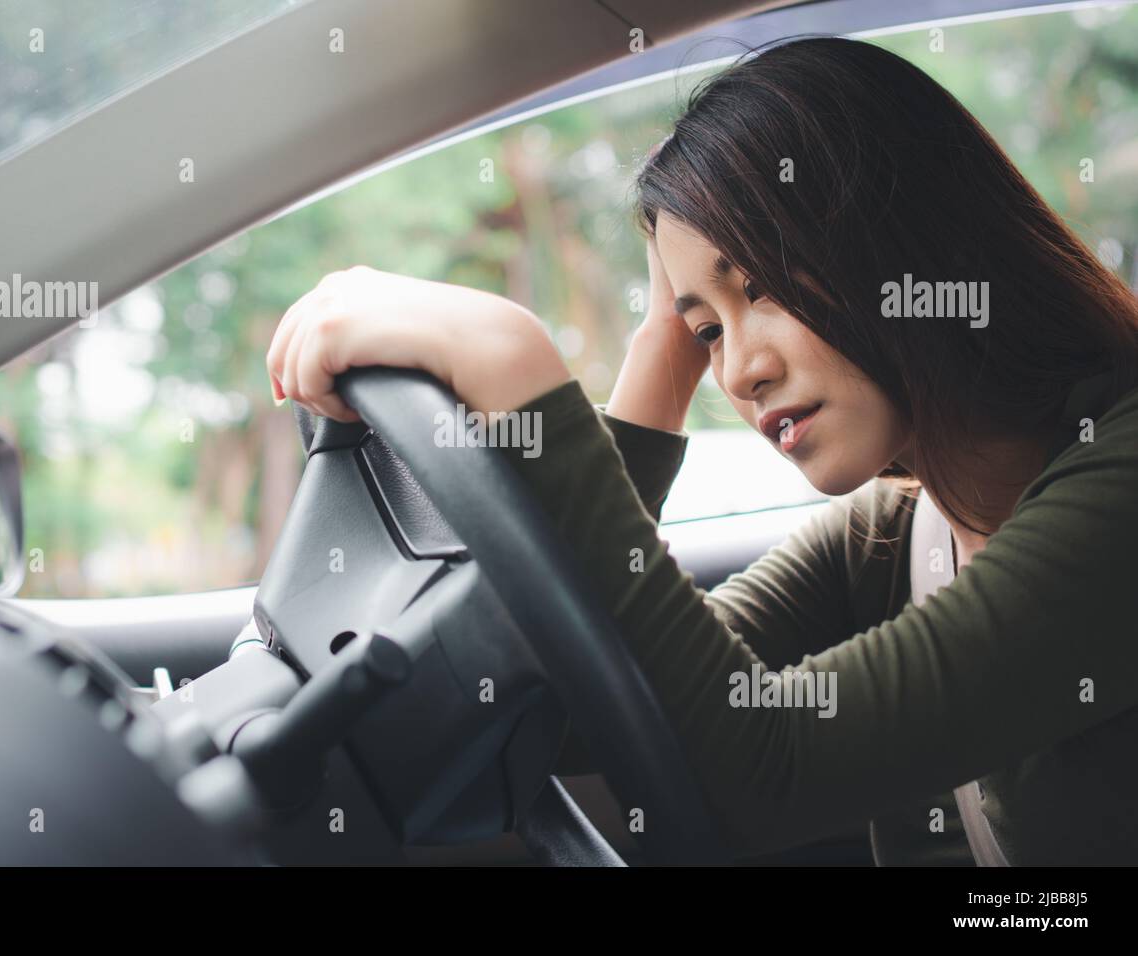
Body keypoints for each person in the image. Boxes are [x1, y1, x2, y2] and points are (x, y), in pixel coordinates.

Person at [265, 36, 1138, 864]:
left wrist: (513, 367)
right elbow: (581, 703)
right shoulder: (896, 537)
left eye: (760, 285)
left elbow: (759, 773)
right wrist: (659, 349)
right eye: (707, 331)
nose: (740, 370)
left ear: (907, 236)